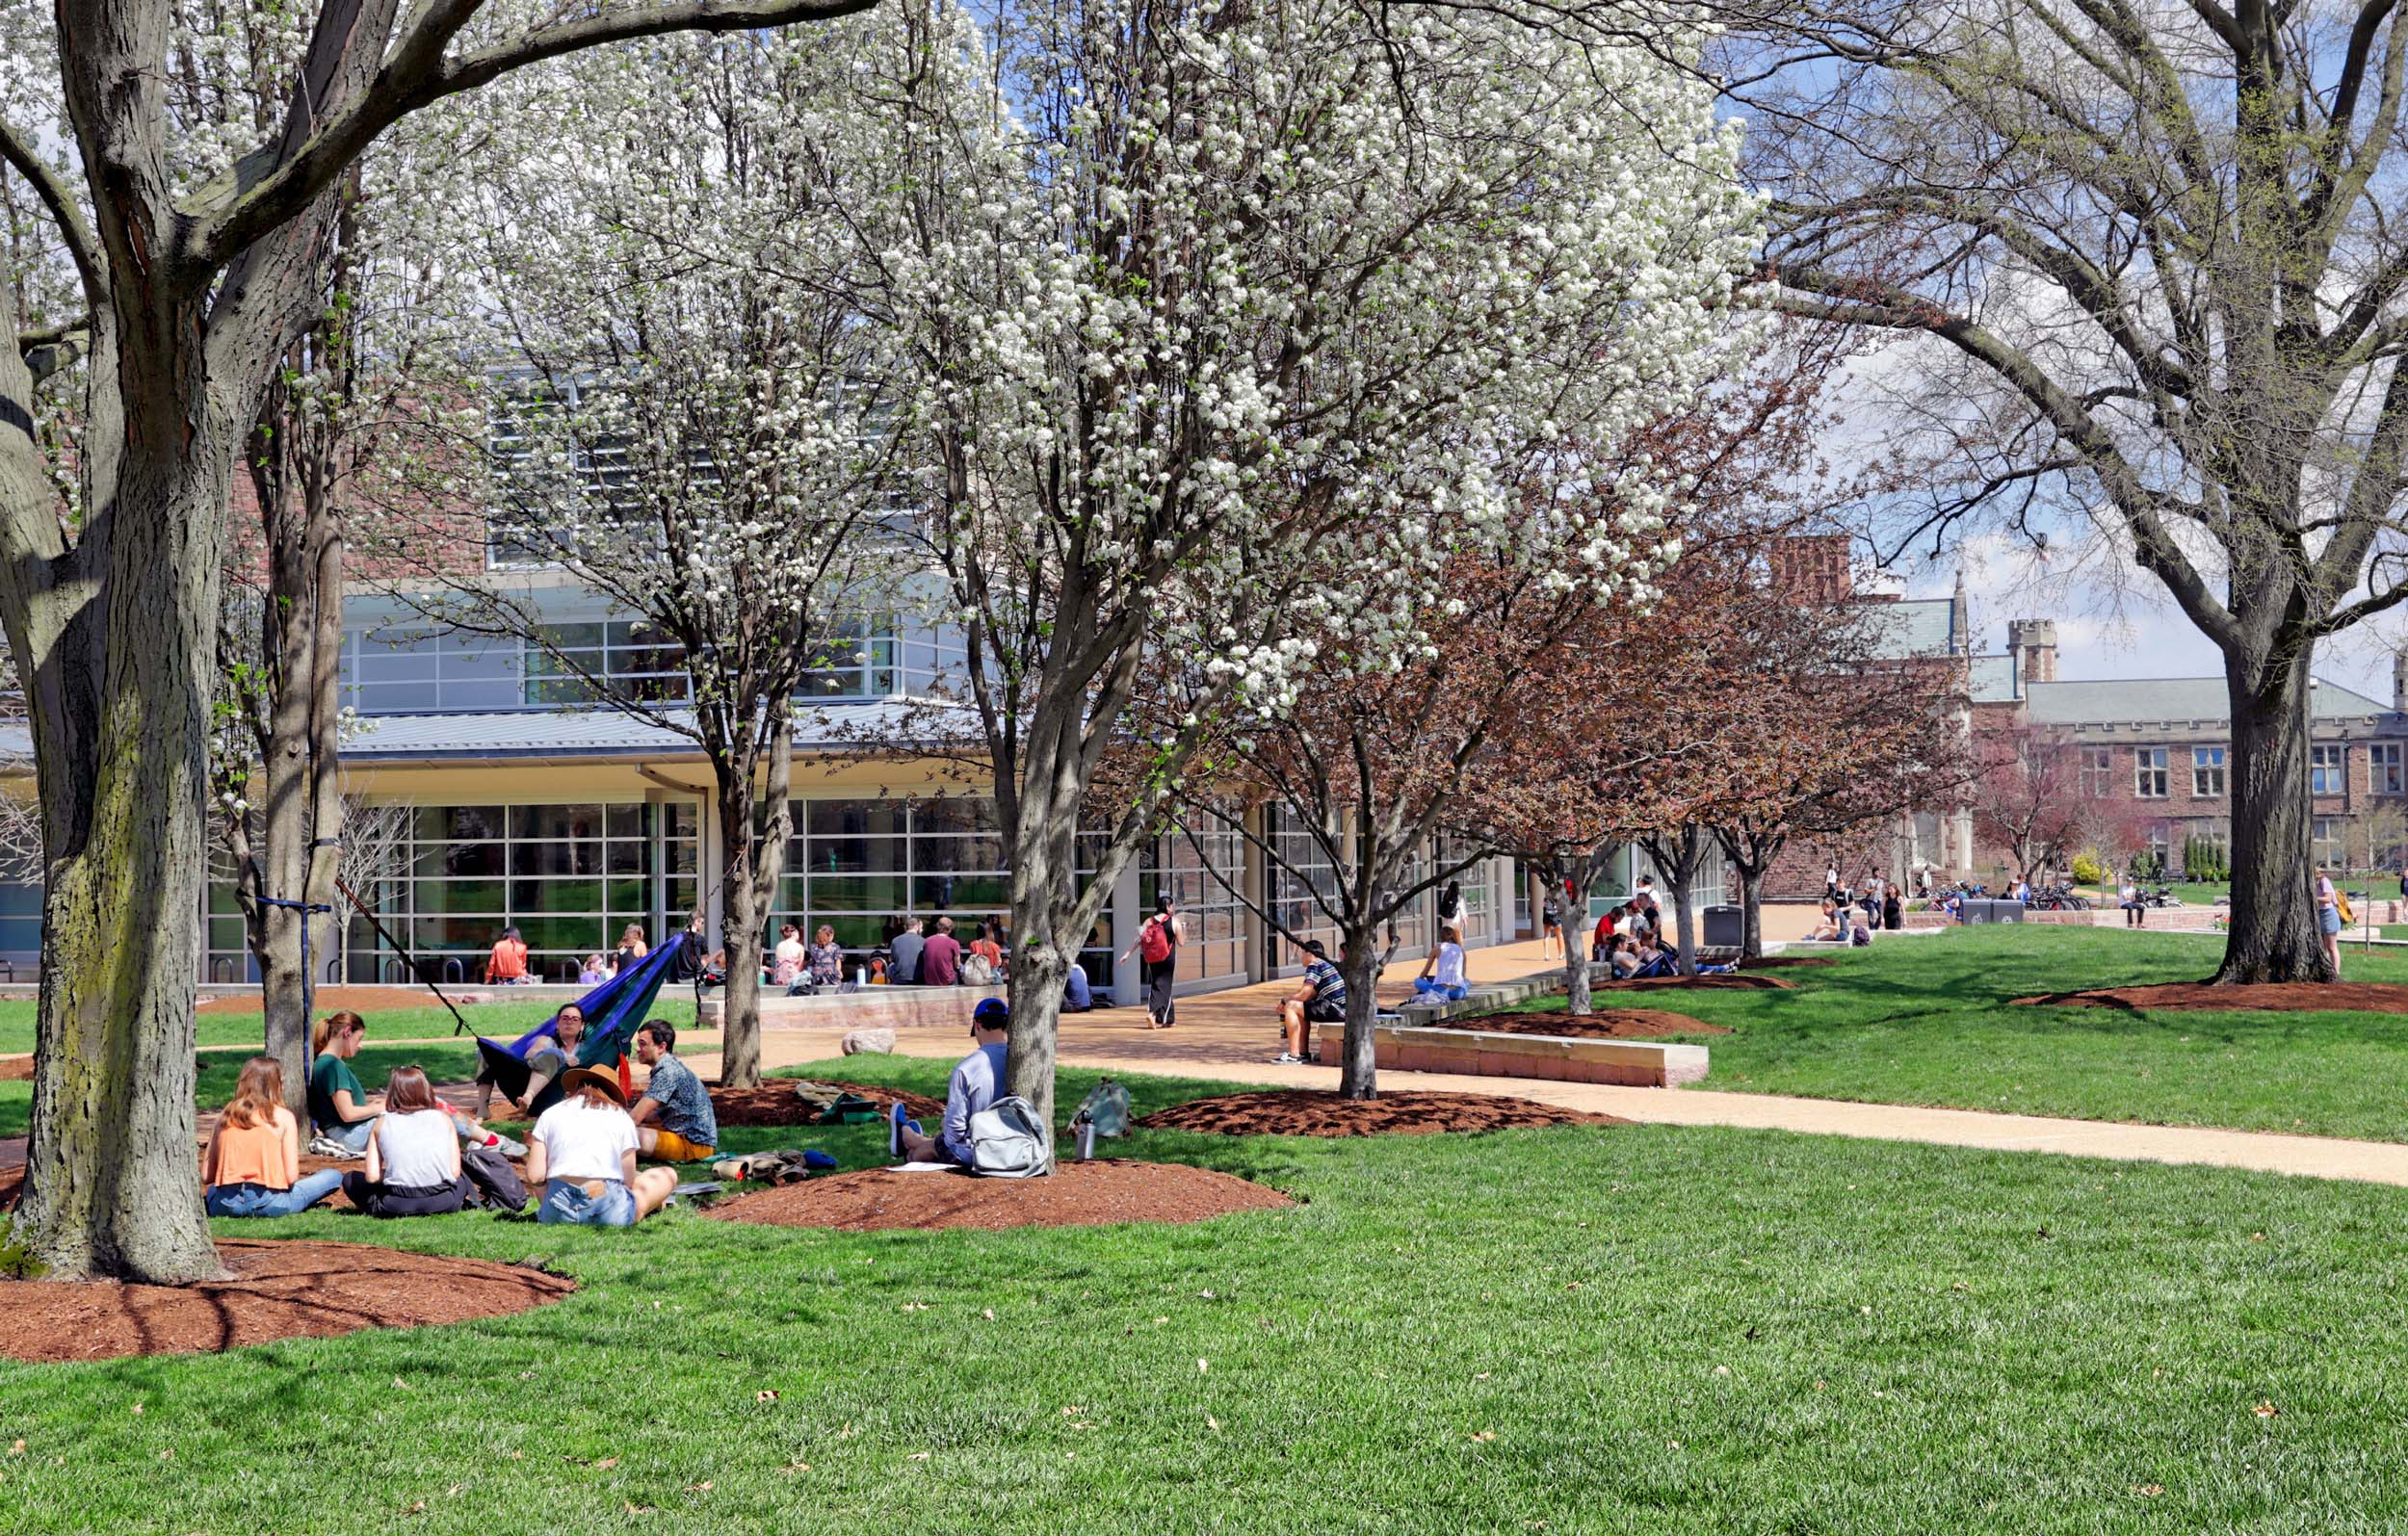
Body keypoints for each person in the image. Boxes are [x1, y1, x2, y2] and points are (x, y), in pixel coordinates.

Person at [526, 1067, 677, 1227]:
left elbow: (535, 1176)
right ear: (612, 1094)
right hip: (607, 1206)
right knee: (668, 1174)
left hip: (557, 1207)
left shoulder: (550, 1114)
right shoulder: (620, 1116)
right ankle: (645, 1206)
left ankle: (551, 1213)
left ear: (577, 1087)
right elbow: (629, 1180)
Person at [203, 1056, 344, 1217]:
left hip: (225, 1204)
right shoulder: (283, 1117)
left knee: (215, 1189)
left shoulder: (224, 1116)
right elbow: (291, 1177)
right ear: (276, 1085)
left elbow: (206, 1176)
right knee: (333, 1176)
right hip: (269, 1202)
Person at [342, 1065, 473, 1217]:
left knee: (350, 1179)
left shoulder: (382, 1123)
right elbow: (454, 1172)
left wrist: (397, 1173)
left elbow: (372, 1176)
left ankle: (380, 1208)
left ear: (393, 1093)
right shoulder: (444, 1119)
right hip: (443, 1202)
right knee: (463, 1181)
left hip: (396, 1204)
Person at [895, 999, 1011, 1165]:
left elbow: (954, 1134)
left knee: (917, 1154)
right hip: (1013, 1147)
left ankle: (908, 1142)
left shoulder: (966, 1068)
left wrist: (946, 1124)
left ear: (977, 1025)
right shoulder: (1019, 1061)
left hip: (977, 1152)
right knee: (932, 1145)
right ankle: (911, 1139)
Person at [477, 1002, 589, 1122]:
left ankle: (528, 1100)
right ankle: (483, 1109)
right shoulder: (545, 1041)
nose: (569, 1022)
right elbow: (529, 1055)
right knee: (487, 1051)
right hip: (526, 1087)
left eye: (575, 1019)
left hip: (558, 1096)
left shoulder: (588, 1049)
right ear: (558, 1023)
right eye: (565, 1018)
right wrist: (561, 1058)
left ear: (582, 1026)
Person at [629, 1020, 718, 1162]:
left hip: (694, 1146)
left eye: (642, 1043)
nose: (637, 1049)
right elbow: (651, 1116)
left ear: (661, 1047)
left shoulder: (668, 1072)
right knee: (631, 1130)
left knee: (626, 1134)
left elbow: (634, 1118)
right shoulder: (669, 1067)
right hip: (683, 1136)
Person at [1276, 939, 1346, 1065]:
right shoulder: (1327, 964)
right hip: (1343, 1010)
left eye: (1302, 953)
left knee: (1291, 1006)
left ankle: (1294, 1054)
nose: (1301, 957)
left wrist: (1284, 1001)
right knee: (1300, 1008)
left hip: (1336, 1009)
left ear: (1309, 953)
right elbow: (1310, 996)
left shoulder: (1315, 965)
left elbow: (1304, 994)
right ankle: (1302, 1054)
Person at [1120, 897, 1184, 1029]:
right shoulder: (1175, 922)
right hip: (1168, 958)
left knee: (1160, 984)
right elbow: (1181, 943)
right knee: (1162, 985)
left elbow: (1138, 939)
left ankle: (1168, 1019)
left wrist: (1127, 954)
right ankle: (1152, 1013)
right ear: (1168, 906)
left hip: (1153, 958)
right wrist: (1184, 929)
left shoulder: (1148, 921)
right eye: (1172, 905)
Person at [1414, 924, 1470, 1002]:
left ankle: (1434, 991)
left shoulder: (1437, 949)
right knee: (1467, 982)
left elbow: (1424, 973)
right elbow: (1463, 976)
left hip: (1441, 991)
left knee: (1417, 981)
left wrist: (1421, 978)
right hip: (1458, 993)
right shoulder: (1461, 950)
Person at [919, 916, 963, 987]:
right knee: (959, 972)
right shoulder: (954, 943)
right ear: (950, 929)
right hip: (947, 980)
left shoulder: (927, 941)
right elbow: (957, 965)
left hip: (929, 980)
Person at [2316, 864, 2343, 975]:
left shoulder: (2324, 881)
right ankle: (2325, 969)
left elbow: (2328, 899)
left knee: (2331, 947)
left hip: (2328, 915)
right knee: (2322, 947)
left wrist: (2313, 897)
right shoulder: (2311, 882)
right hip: (2318, 914)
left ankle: (2336, 972)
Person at [889, 916, 926, 985]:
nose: (922, 930)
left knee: (891, 966)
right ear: (916, 927)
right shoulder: (923, 941)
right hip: (918, 978)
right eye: (921, 928)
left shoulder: (895, 940)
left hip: (900, 978)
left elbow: (893, 959)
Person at [771, 924, 807, 989]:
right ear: (795, 933)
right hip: (793, 979)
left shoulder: (779, 945)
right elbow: (800, 967)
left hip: (779, 978)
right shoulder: (799, 947)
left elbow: (778, 964)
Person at [1540, 887, 1563, 961]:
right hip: (1555, 918)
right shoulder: (1557, 899)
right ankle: (1561, 954)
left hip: (1546, 918)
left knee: (1546, 935)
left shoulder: (1545, 899)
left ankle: (1546, 955)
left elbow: (1543, 907)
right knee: (1559, 936)